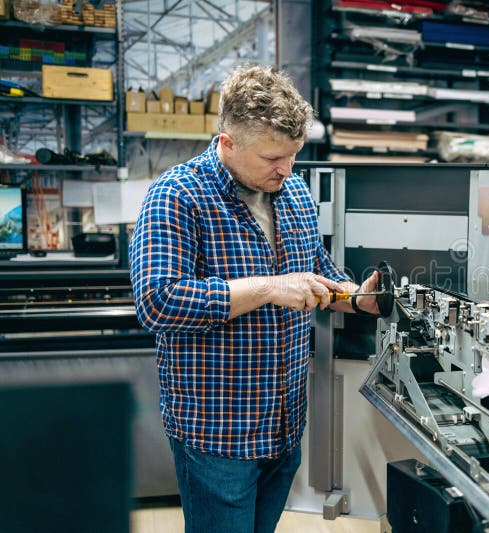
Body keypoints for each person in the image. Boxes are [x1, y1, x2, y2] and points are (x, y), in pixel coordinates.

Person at [130, 65, 380, 533]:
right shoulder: (177, 195)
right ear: (227, 142)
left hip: (283, 421)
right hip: (216, 430)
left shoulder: (293, 192)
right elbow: (157, 301)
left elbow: (317, 272)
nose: (285, 169)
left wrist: (354, 298)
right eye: (271, 158)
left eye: (292, 156)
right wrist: (268, 286)